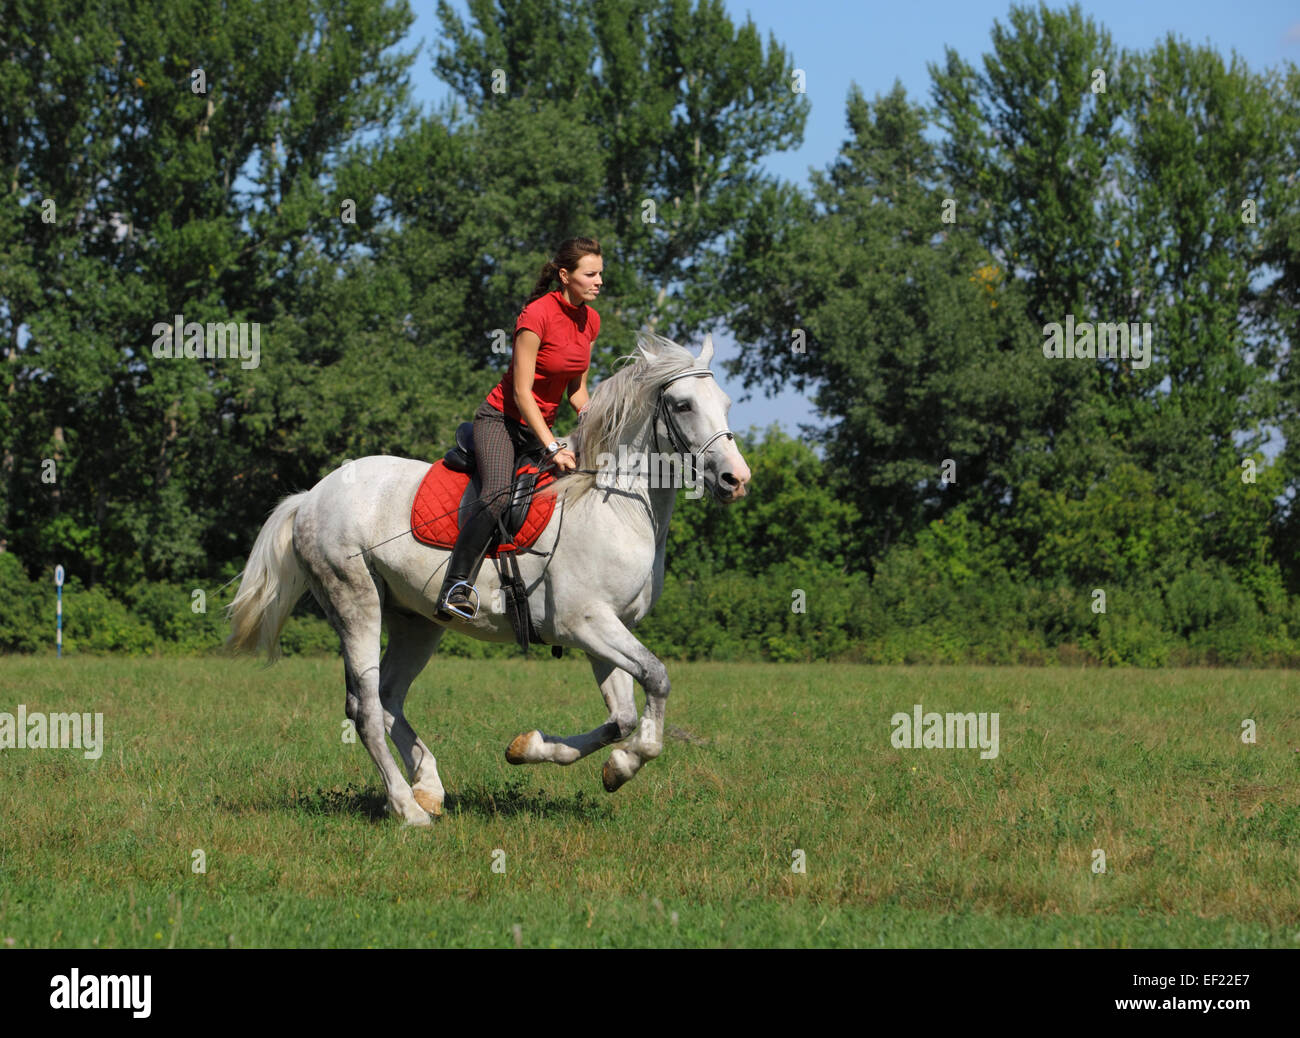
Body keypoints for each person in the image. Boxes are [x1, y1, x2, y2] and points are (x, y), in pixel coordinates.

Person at [436, 237, 602, 620]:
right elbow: (522, 393)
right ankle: (456, 585)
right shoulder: (536, 315)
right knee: (496, 494)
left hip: (539, 430)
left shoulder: (590, 320)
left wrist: (596, 422)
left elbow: (576, 388)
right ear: (565, 275)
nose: (598, 282)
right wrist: (551, 447)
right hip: (502, 422)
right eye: (590, 274)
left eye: (600, 274)